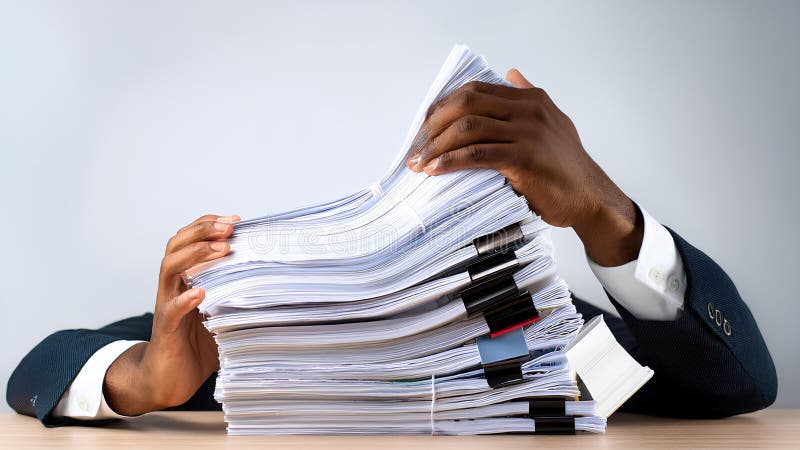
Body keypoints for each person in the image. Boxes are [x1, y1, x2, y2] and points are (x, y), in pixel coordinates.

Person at [7, 69, 777, 426]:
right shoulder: (256, 346)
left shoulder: (553, 339)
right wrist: (144, 377)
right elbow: (41, 366)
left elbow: (740, 385)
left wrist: (606, 211)